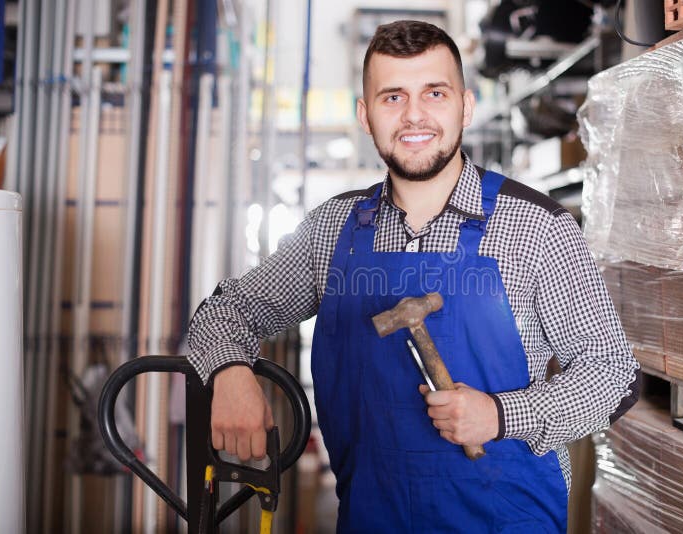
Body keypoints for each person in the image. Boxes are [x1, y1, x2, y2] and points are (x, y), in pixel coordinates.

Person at [189, 19, 640, 533]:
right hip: (371, 520)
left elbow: (613, 376)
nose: (414, 115)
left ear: (465, 106)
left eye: (434, 92)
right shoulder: (333, 230)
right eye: (392, 97)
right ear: (366, 115)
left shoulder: (536, 228)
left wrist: (500, 414)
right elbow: (226, 311)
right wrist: (229, 373)